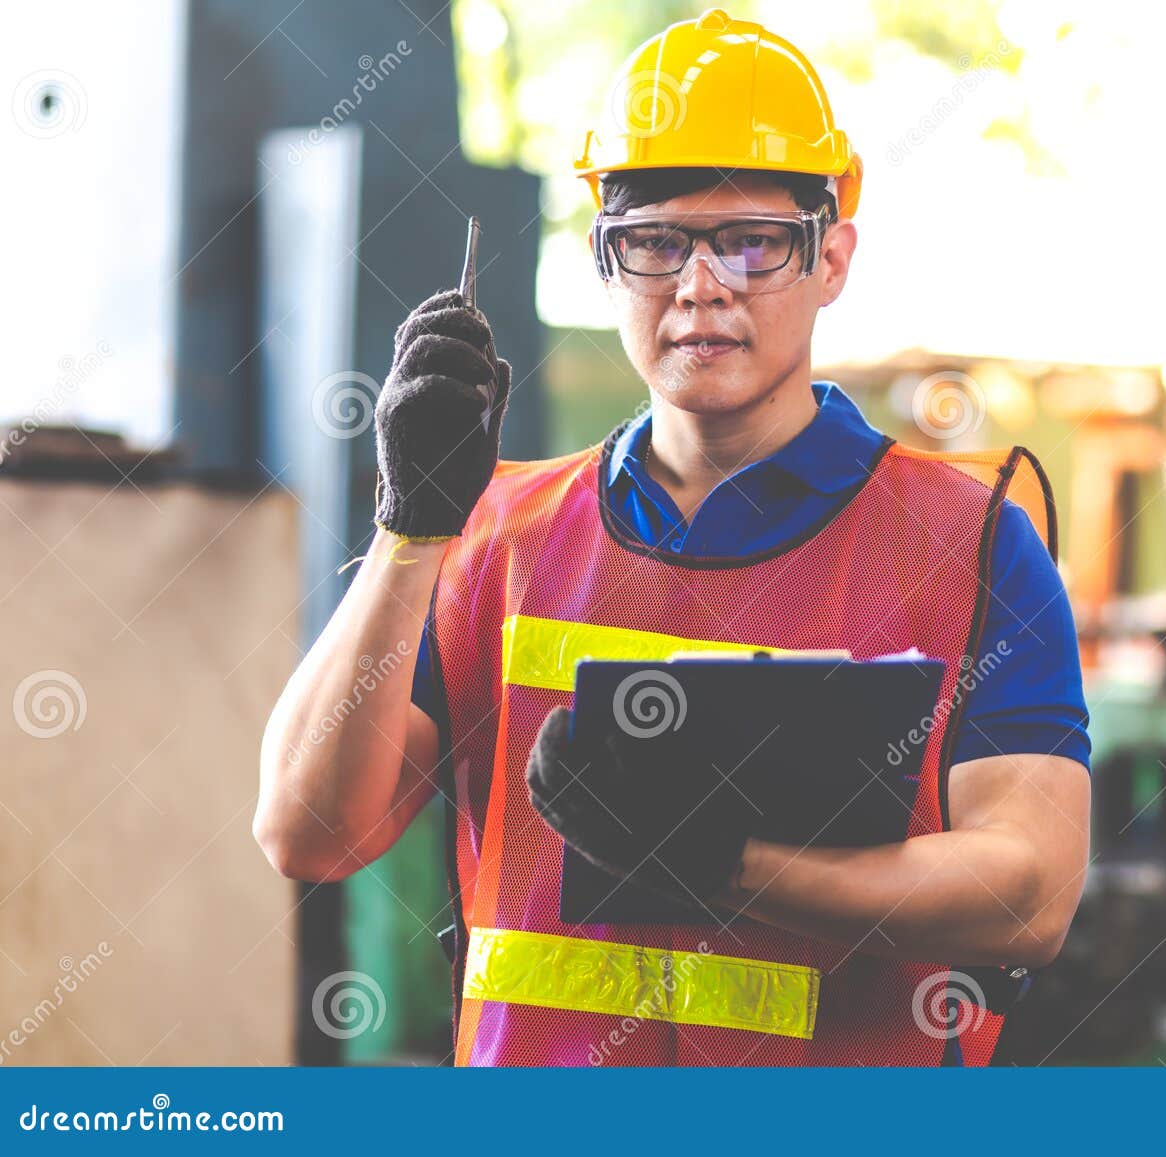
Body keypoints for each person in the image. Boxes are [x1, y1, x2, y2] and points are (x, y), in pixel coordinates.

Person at [256, 7, 1090, 1067]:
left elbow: (1028, 892)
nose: (701, 286)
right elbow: (306, 830)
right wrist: (409, 530)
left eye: (752, 241)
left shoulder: (968, 545)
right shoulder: (489, 538)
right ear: (607, 263)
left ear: (830, 256)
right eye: (653, 242)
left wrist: (732, 861)